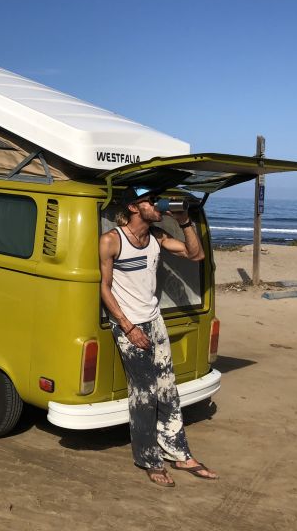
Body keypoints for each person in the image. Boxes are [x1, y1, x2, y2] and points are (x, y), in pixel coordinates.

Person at [98, 186, 219, 487]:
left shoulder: (156, 239)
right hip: (129, 325)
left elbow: (197, 254)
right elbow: (104, 287)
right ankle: (149, 459)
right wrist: (127, 326)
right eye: (151, 201)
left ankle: (180, 453)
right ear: (135, 207)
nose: (157, 205)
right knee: (144, 393)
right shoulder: (112, 240)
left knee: (167, 388)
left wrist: (185, 221)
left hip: (155, 321)